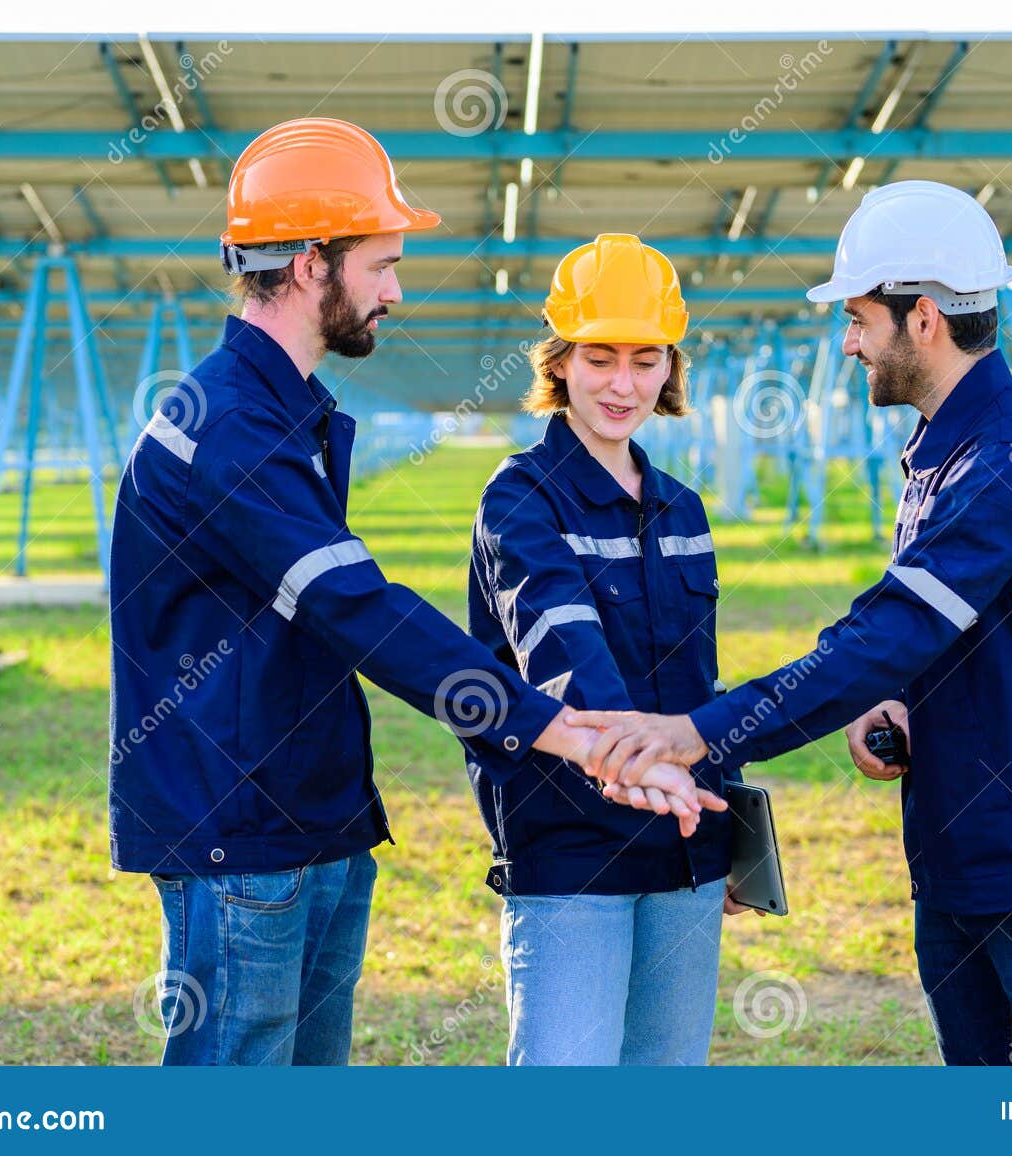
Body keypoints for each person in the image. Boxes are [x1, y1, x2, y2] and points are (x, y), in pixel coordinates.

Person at [107, 119, 721, 1067]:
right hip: (238, 834)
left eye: (648, 359)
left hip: (309, 823)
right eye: (383, 262)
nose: (395, 288)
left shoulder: (285, 413)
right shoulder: (229, 425)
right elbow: (360, 609)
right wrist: (565, 730)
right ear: (313, 264)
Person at [570, 181, 1012, 1066]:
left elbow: (894, 630)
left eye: (856, 319)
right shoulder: (944, 450)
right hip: (969, 857)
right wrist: (905, 709)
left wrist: (698, 732)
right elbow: (955, 636)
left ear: (922, 318)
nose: (846, 343)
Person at [467, 235, 754, 1066]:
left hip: (687, 848)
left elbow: (698, 681)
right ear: (561, 362)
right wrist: (651, 769)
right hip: (572, 850)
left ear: (670, 367)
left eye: (645, 359)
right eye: (599, 358)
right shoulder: (520, 496)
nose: (622, 384)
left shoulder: (682, 508)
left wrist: (725, 823)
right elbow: (563, 647)